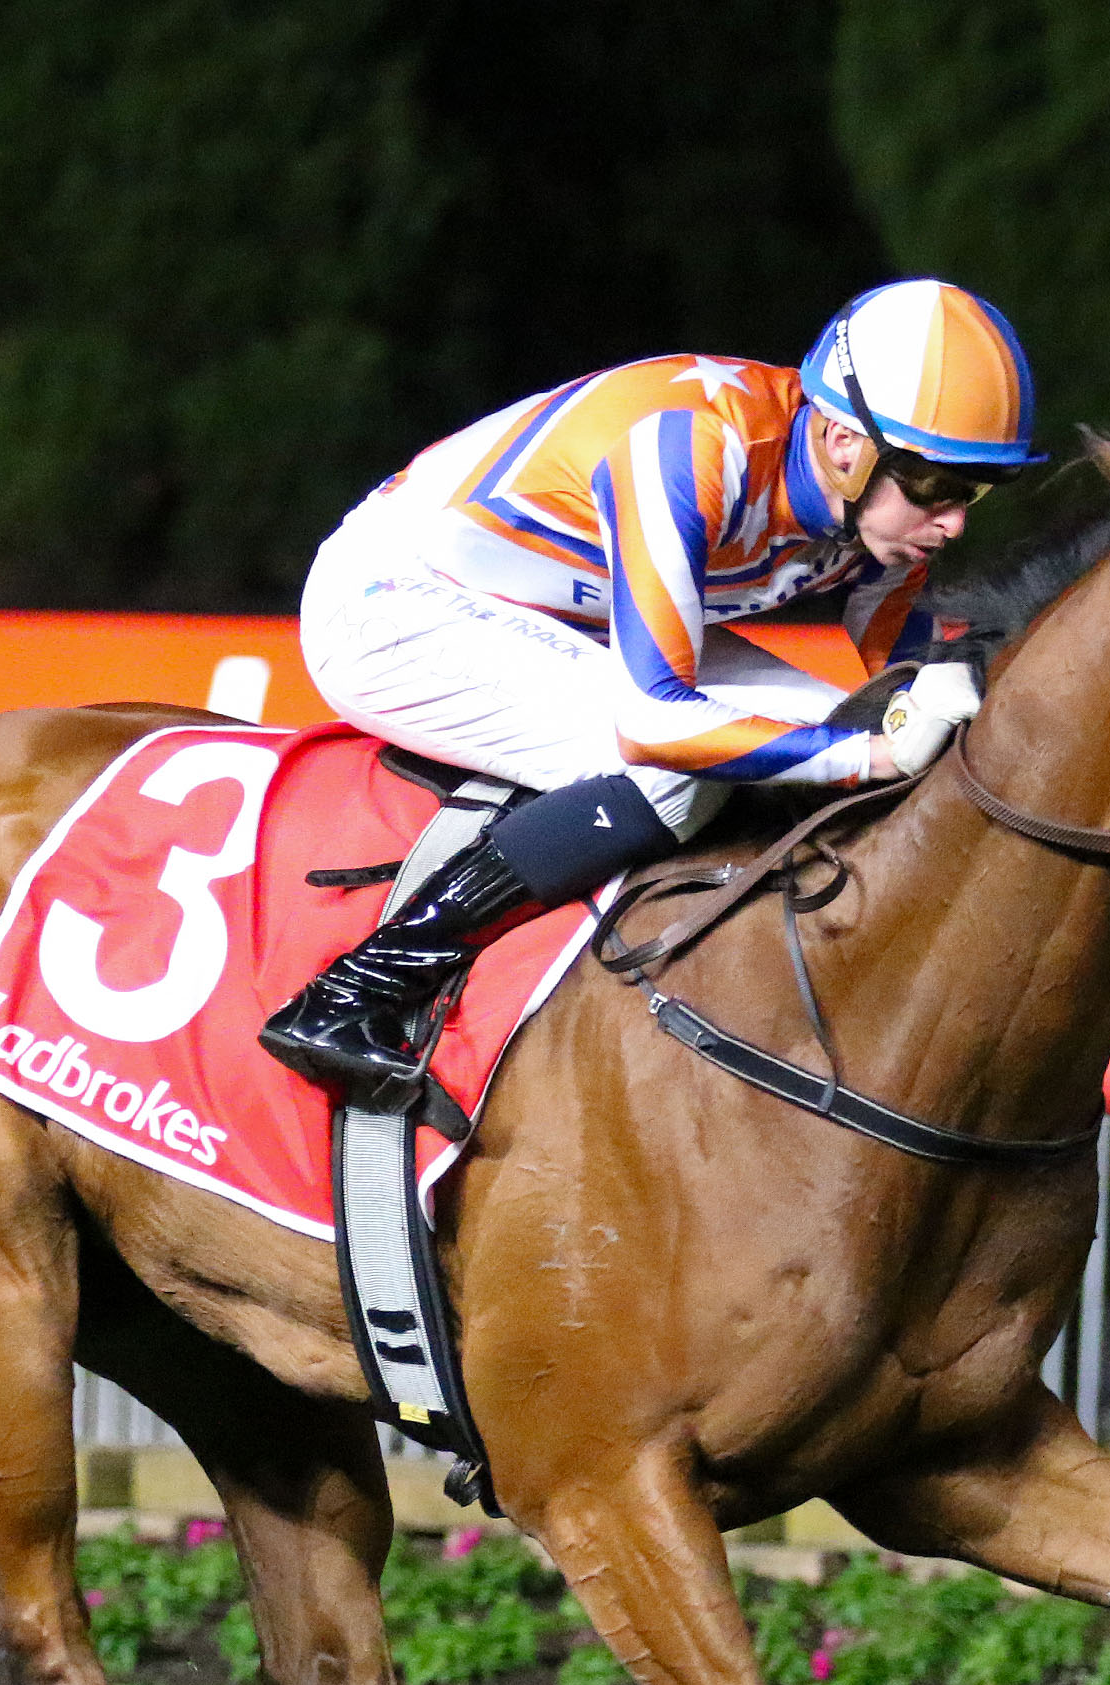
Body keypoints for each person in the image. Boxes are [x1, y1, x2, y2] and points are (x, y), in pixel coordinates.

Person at [262, 279, 1042, 1102]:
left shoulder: (869, 502)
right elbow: (656, 721)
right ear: (846, 445)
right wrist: (873, 750)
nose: (956, 522)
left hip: (565, 606)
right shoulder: (693, 448)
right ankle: (359, 987)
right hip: (396, 600)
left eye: (976, 491)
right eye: (938, 486)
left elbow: (912, 675)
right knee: (679, 770)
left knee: (827, 729)